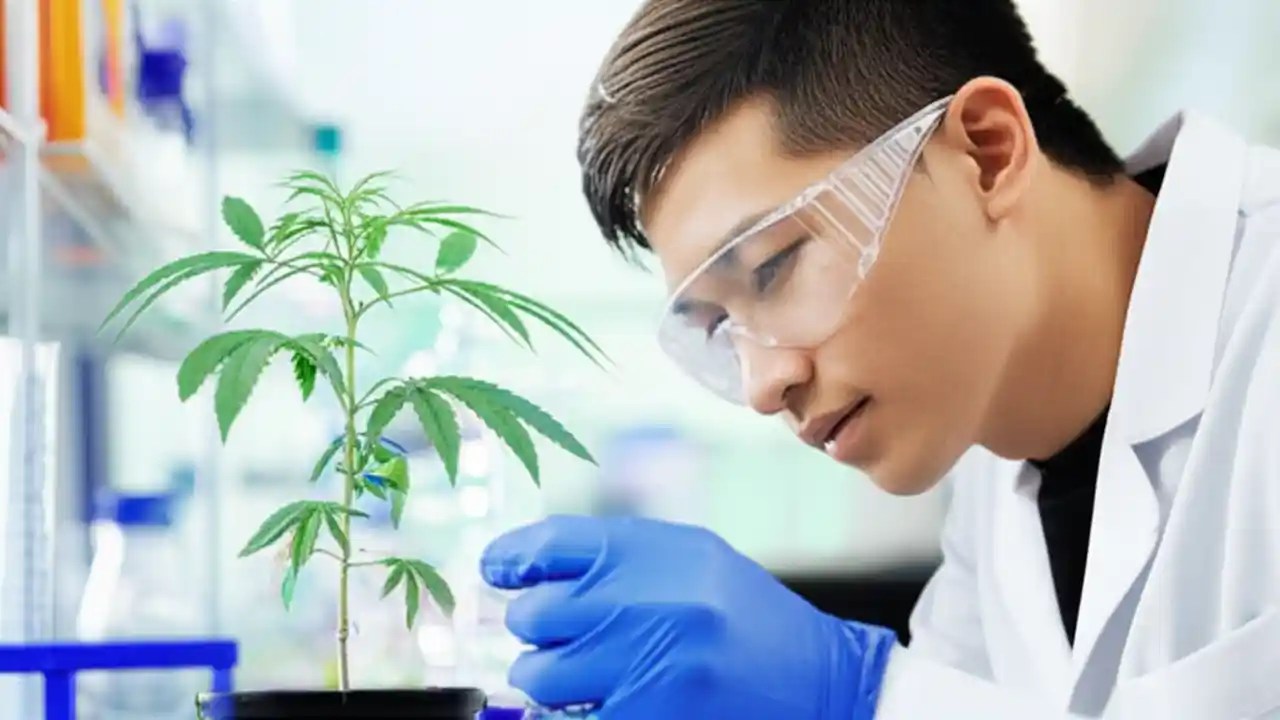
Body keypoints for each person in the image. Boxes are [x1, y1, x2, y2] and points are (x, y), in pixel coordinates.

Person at [479, 1, 1280, 717]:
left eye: (773, 267)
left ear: (988, 152)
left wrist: (867, 693)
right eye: (720, 325)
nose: (765, 385)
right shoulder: (990, 465)